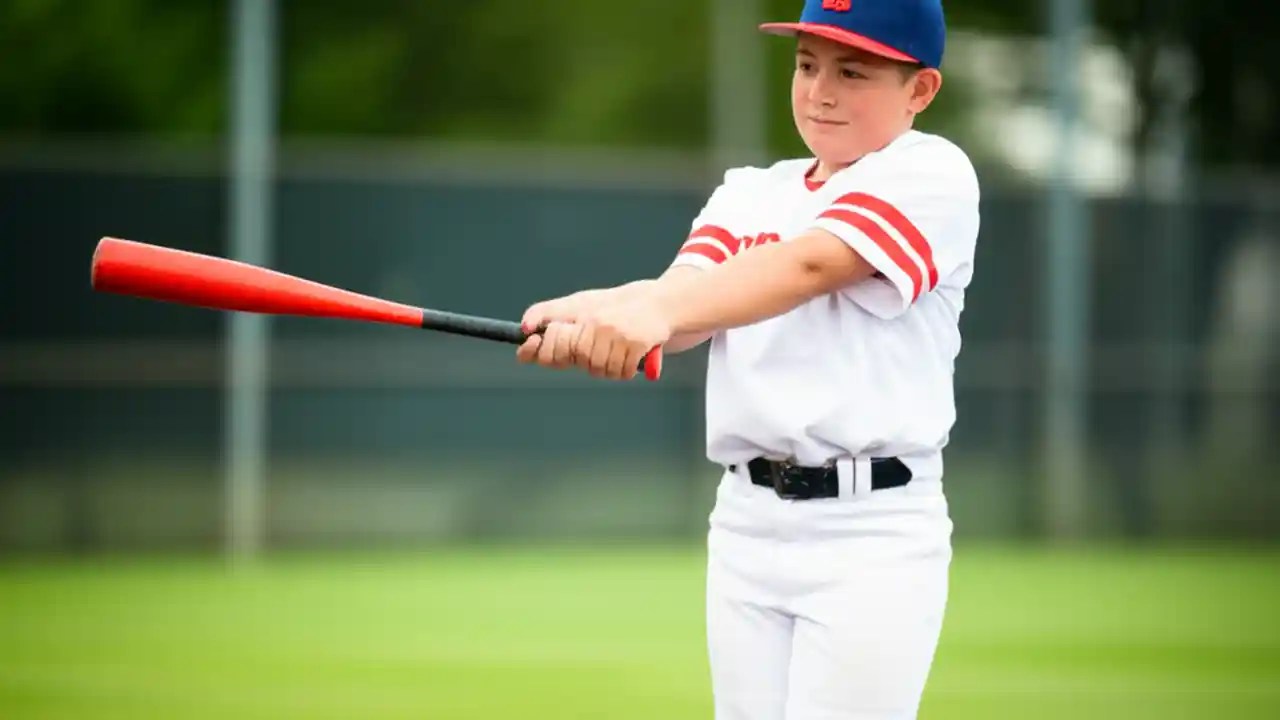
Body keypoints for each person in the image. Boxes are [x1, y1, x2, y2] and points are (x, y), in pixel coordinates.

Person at [517, 0, 979, 717]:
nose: (820, 90)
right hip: (746, 524)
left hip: (871, 532)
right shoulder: (750, 191)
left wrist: (649, 315)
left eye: (852, 71)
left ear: (919, 90)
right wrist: (594, 313)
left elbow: (808, 267)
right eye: (806, 65)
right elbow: (680, 303)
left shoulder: (931, 174)